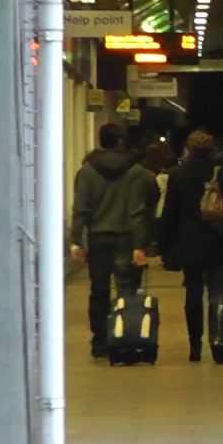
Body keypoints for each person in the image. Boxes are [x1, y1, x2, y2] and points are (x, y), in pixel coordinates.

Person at [158, 130, 223, 362]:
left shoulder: (178, 174)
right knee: (217, 293)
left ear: (189, 149)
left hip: (190, 242)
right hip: (220, 240)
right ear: (212, 149)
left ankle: (195, 346)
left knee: (193, 293)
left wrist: (164, 246)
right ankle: (217, 343)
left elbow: (170, 213)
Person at [69, 123, 153, 357]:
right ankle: (124, 337)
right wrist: (140, 245)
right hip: (126, 238)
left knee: (99, 290)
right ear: (120, 141)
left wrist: (76, 240)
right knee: (126, 290)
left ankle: (99, 342)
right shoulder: (135, 171)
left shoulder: (87, 171)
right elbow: (137, 211)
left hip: (98, 239)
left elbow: (81, 209)